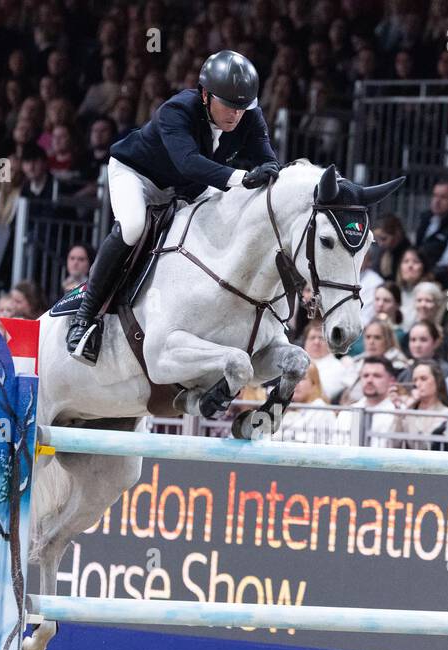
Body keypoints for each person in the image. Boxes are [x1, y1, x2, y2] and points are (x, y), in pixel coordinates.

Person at [66, 50, 279, 365]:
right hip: (137, 174)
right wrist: (244, 178)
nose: (236, 115)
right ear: (205, 95)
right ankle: (84, 318)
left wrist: (271, 174)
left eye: (242, 108)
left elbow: (268, 159)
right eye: (229, 106)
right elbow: (189, 163)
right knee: (135, 225)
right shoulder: (177, 110)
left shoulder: (250, 116)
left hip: (185, 187)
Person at [390, 359, 448, 449]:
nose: (417, 384)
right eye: (415, 380)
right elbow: (393, 443)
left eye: (423, 379)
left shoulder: (447, 414)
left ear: (437, 381)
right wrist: (400, 410)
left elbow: (423, 446)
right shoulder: (407, 412)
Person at [345, 355, 400, 448]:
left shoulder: (399, 413)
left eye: (376, 376)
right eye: (365, 376)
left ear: (392, 381)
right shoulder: (347, 413)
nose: (369, 380)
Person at [278, 364, 342, 444]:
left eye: (302, 379)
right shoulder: (288, 409)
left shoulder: (322, 411)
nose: (295, 383)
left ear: (314, 385)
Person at [301, 319, 347, 402]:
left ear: (331, 343)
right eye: (312, 338)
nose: (316, 342)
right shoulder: (296, 363)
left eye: (321, 338)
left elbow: (325, 394)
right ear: (305, 342)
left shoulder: (338, 367)